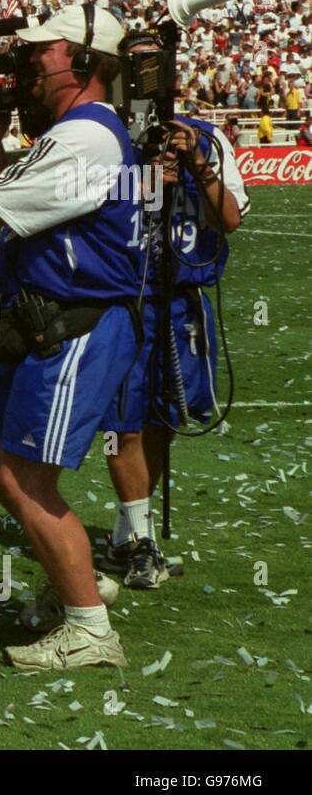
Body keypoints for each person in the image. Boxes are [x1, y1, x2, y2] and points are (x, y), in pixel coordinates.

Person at [0, 4, 143, 670]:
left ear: (84, 62)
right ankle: (76, 577)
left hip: (74, 322)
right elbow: (10, 197)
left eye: (43, 52)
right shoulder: (73, 133)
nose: (29, 62)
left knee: (28, 476)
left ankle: (89, 626)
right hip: (40, 318)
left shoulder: (89, 137)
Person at [102, 40, 250, 588]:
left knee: (164, 418)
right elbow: (82, 208)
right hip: (122, 299)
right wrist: (141, 182)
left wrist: (196, 163)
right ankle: (140, 539)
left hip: (183, 298)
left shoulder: (205, 137)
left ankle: (129, 530)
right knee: (120, 426)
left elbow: (228, 219)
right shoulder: (106, 139)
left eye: (152, 61)